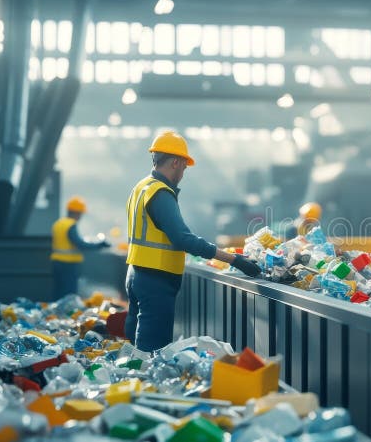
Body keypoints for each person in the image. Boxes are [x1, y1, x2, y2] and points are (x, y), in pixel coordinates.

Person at [125, 131, 262, 352]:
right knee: (152, 349)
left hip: (136, 274)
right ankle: (144, 385)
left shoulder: (140, 187)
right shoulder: (160, 193)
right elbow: (184, 239)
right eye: (184, 167)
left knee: (133, 344)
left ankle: (127, 381)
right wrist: (234, 260)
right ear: (176, 162)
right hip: (155, 279)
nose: (183, 173)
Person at [50, 196, 111, 298]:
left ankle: (56, 313)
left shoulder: (58, 223)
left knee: (58, 292)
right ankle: (65, 313)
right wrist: (99, 245)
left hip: (57, 262)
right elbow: (80, 244)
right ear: (77, 213)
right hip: (69, 264)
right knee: (69, 295)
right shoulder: (70, 225)